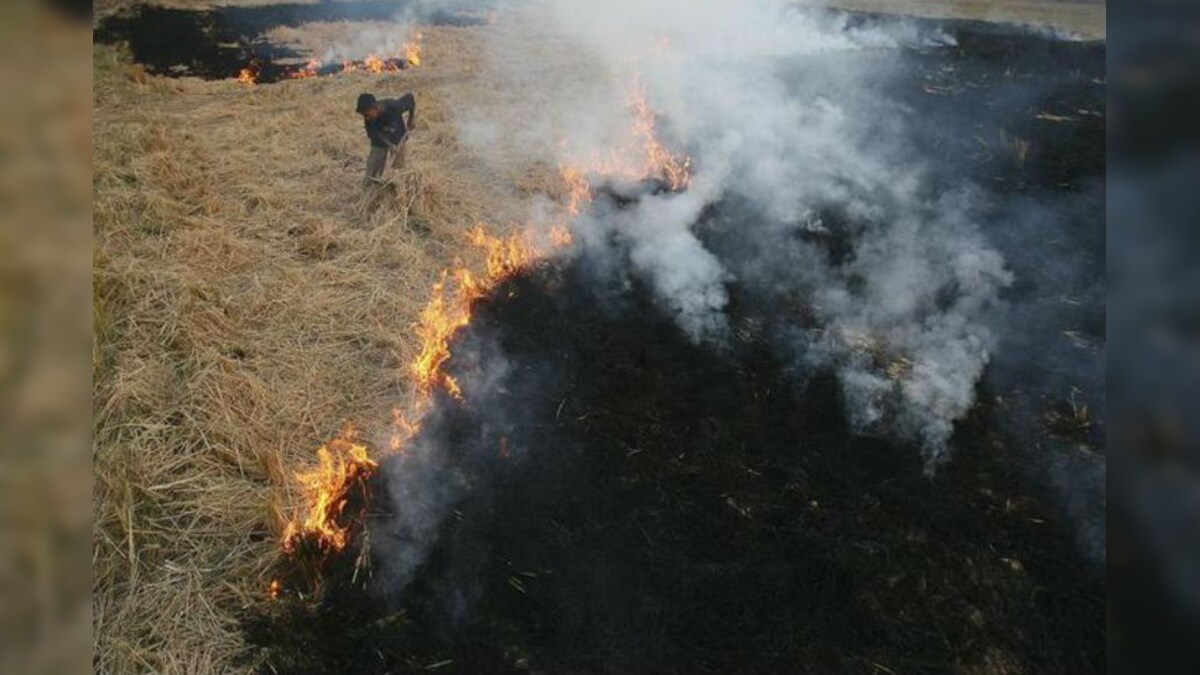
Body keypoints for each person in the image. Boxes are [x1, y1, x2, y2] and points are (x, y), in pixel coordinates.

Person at [356, 92, 416, 186]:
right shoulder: (369, 118)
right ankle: (369, 187)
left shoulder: (394, 106)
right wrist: (389, 145)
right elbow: (374, 134)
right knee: (374, 163)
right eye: (364, 115)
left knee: (398, 168)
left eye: (367, 114)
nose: (366, 118)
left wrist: (411, 118)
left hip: (397, 135)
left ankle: (397, 185)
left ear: (374, 108)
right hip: (379, 138)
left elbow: (410, 98)